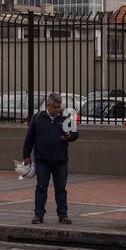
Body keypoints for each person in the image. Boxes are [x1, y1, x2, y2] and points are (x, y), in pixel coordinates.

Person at [22, 91, 78, 224]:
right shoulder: (38, 118)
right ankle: (39, 214)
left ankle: (63, 214)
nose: (58, 110)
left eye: (59, 107)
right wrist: (26, 155)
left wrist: (69, 137)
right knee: (41, 187)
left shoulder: (65, 118)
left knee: (61, 189)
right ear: (48, 105)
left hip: (60, 160)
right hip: (42, 160)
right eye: (55, 107)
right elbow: (29, 138)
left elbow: (75, 134)